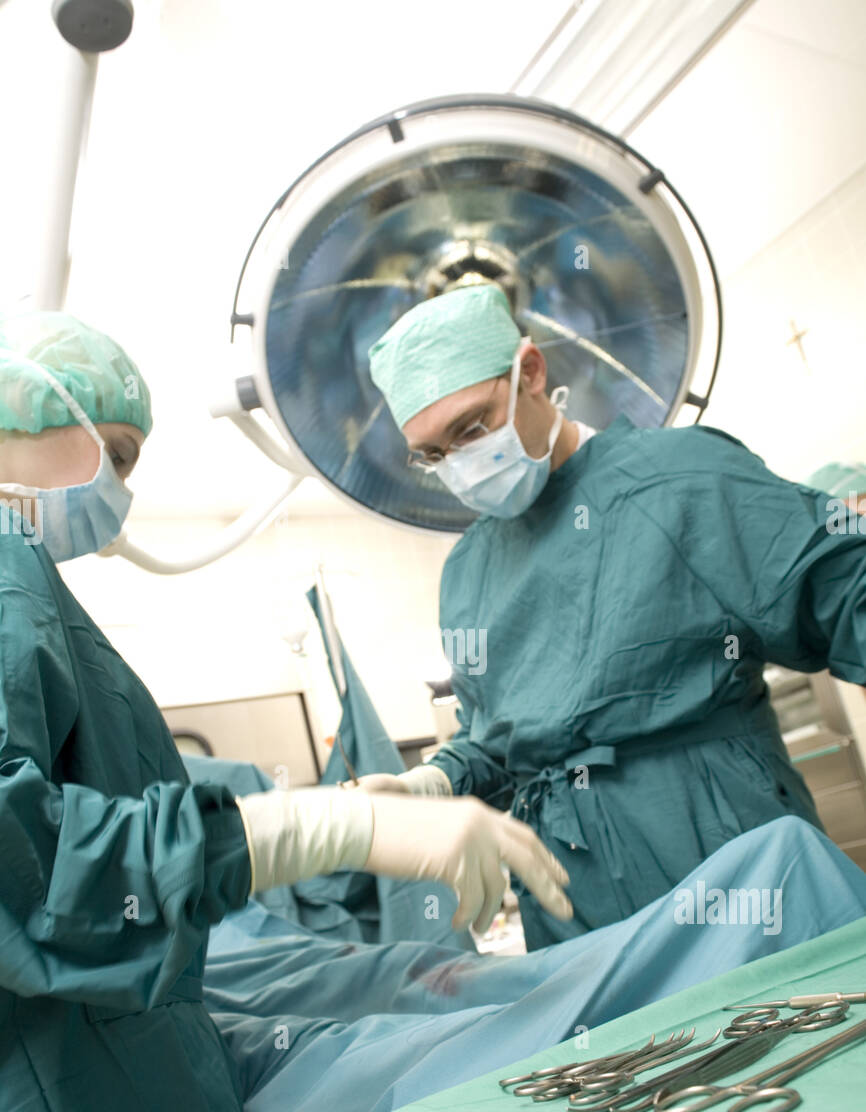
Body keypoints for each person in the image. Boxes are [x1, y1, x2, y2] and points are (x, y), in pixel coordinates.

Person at [0, 309, 572, 1112]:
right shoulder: (11, 584)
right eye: (117, 454)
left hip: (140, 1087)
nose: (121, 492)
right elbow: (28, 868)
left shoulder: (38, 597)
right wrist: (322, 824)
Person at [360, 281, 866, 949]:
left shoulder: (681, 479)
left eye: (473, 427)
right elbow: (493, 738)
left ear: (531, 373)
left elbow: (842, 589)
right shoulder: (467, 572)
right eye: (433, 454)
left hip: (730, 873)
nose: (461, 464)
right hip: (573, 913)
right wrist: (430, 782)